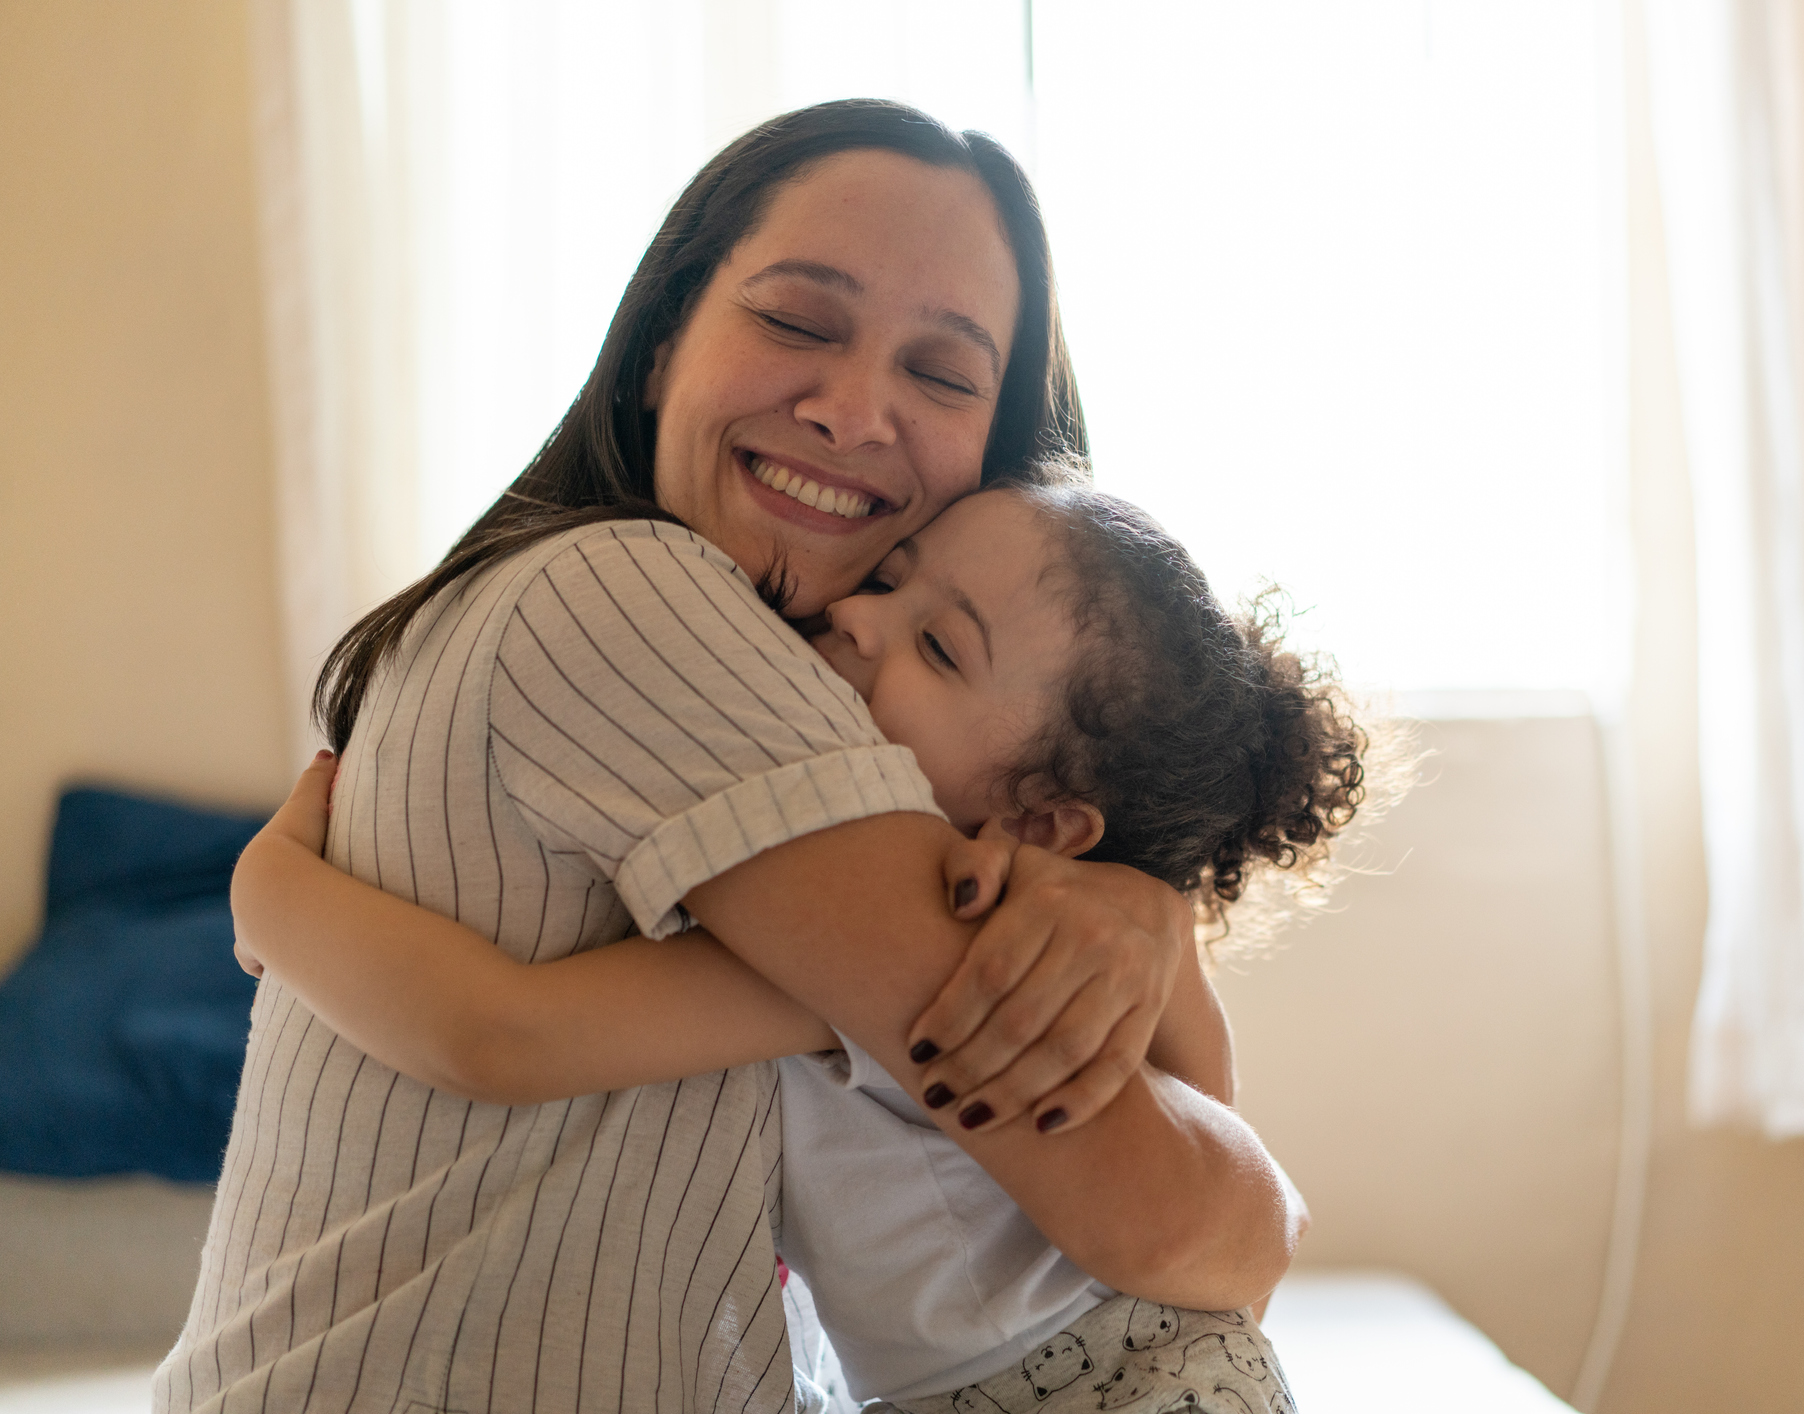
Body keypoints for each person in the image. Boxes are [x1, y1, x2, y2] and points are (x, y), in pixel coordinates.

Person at [155, 102, 1302, 1414]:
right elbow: (1201, 1228)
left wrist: (1153, 925)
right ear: (657, 348)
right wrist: (262, 895)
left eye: (941, 373)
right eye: (800, 323)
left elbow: (1210, 1240)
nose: (854, 408)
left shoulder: (759, 704)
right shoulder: (643, 598)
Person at [228, 476, 1367, 1412]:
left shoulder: (913, 929)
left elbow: (495, 1031)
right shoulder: (956, 914)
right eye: (886, 577)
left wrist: (266, 888)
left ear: (1042, 821)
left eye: (936, 645)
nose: (859, 617)